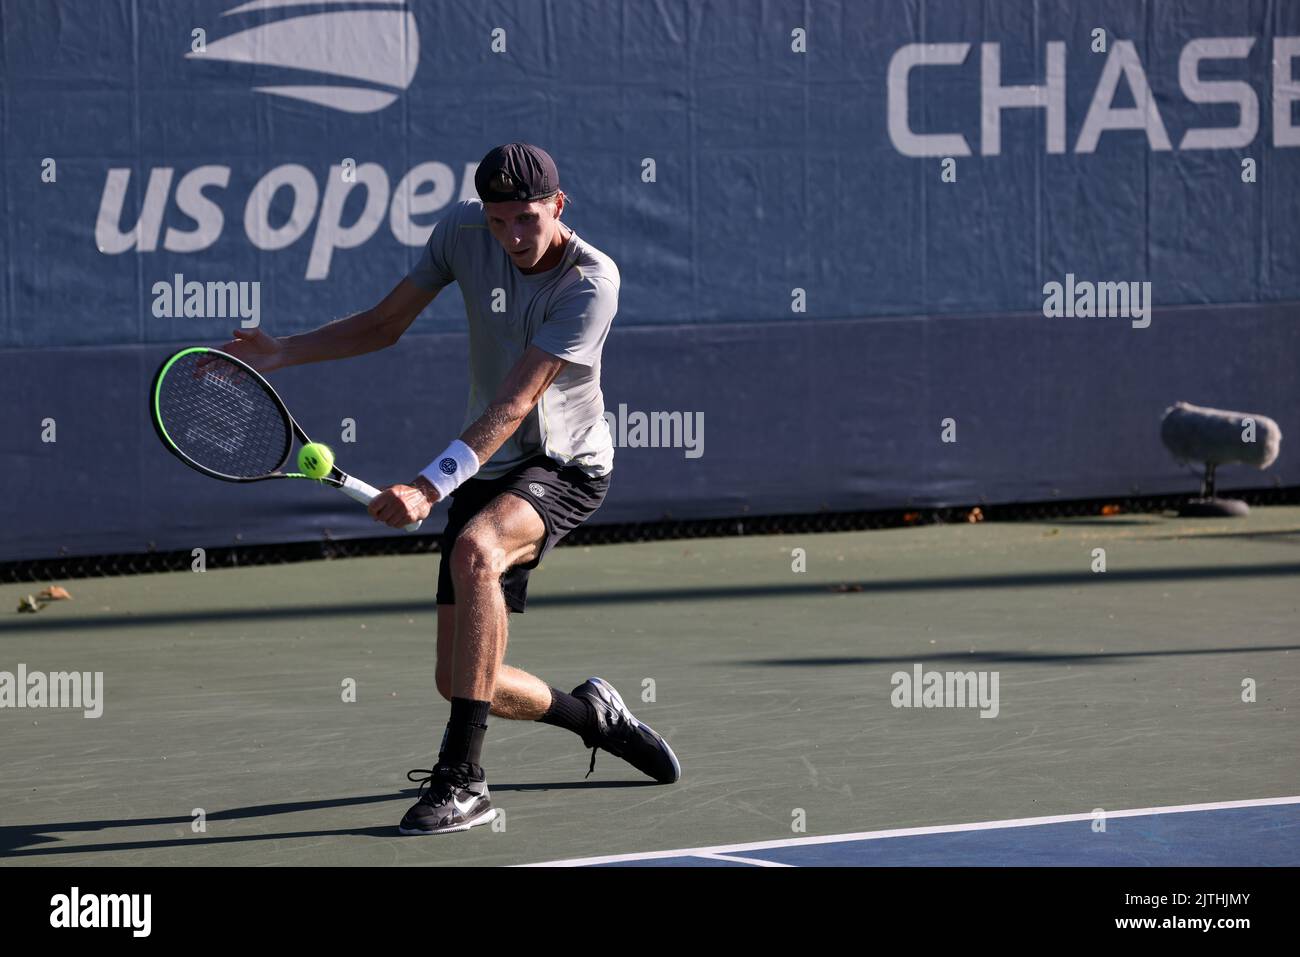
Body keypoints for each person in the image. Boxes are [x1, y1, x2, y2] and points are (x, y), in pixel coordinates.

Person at [218, 143, 680, 836]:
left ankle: (463, 780)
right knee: (466, 678)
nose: (512, 238)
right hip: (486, 465)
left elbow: (519, 400)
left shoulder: (591, 281)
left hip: (563, 465)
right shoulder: (462, 232)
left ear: (559, 206)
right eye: (499, 222)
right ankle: (595, 716)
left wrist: (429, 487)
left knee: (475, 549)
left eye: (526, 219)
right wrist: (285, 350)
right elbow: (384, 323)